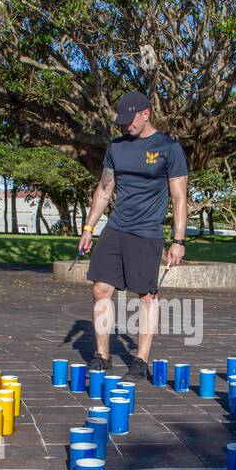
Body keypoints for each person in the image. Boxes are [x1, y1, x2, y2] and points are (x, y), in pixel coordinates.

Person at [79, 91, 189, 379]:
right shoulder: (116, 147)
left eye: (130, 120)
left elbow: (179, 198)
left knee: (146, 296)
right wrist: (89, 227)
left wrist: (178, 241)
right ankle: (102, 356)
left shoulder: (169, 148)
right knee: (100, 289)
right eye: (122, 120)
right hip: (116, 227)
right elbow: (104, 189)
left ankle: (140, 359)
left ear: (146, 113)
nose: (125, 125)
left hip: (147, 232)